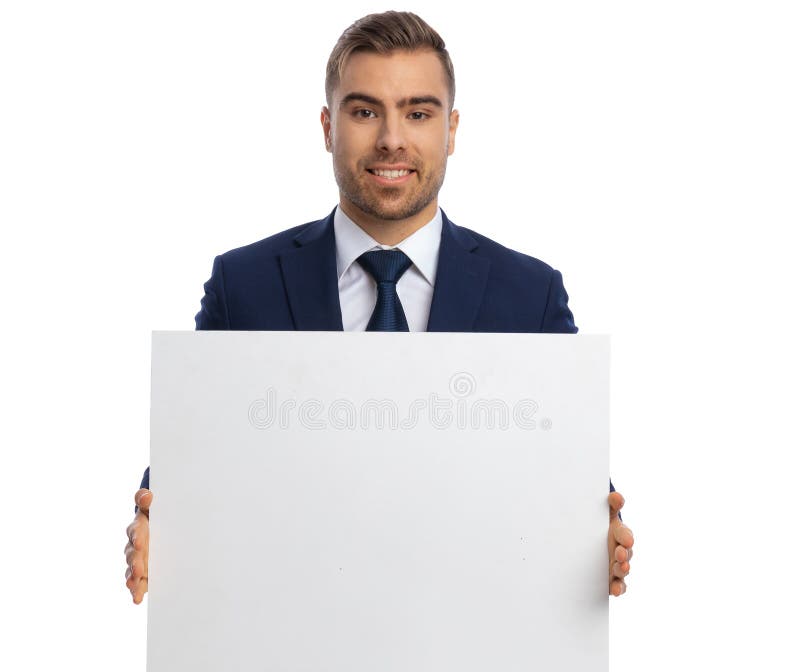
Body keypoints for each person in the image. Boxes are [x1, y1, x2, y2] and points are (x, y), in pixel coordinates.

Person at [124, 10, 634, 604]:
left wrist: (602, 535)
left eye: (418, 113)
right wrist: (154, 527)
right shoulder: (245, 284)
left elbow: (569, 476)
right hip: (287, 633)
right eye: (365, 112)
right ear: (326, 126)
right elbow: (193, 454)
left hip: (469, 637)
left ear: (452, 130)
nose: (392, 138)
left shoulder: (530, 294)